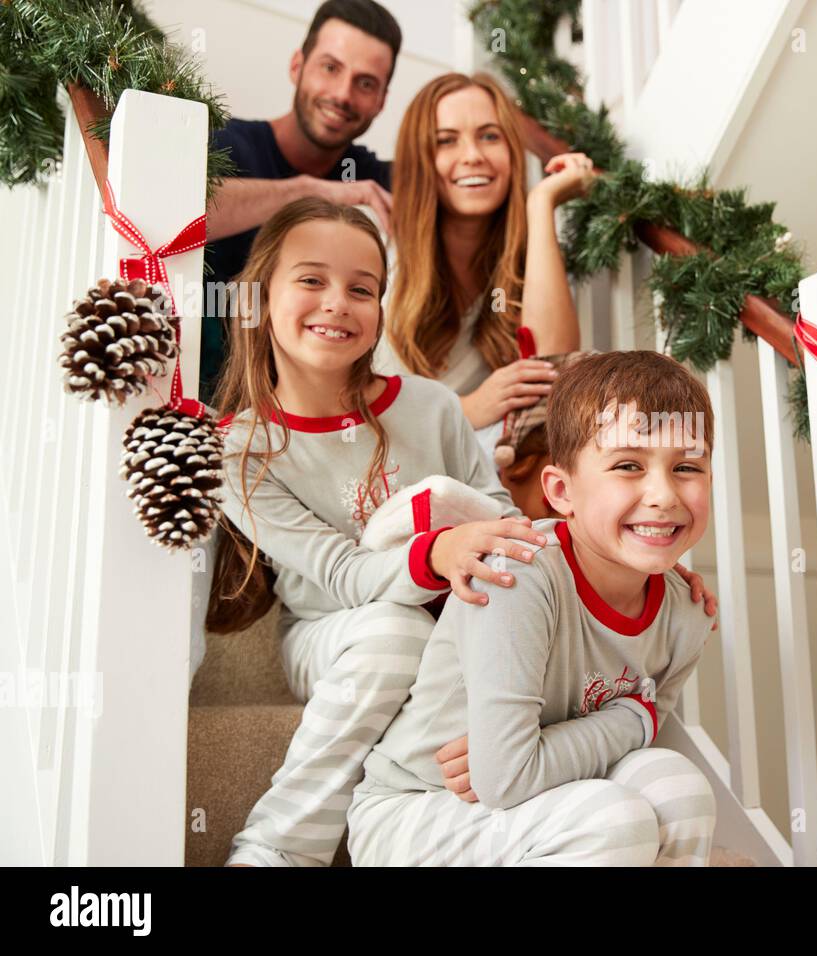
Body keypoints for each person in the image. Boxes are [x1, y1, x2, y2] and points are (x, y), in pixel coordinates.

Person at [206, 197, 548, 867]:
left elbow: (501, 522)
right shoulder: (239, 452)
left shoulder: (432, 406)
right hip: (330, 634)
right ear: (259, 297)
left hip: (454, 630)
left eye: (361, 289)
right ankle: (278, 848)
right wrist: (438, 550)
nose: (338, 302)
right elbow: (343, 576)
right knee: (397, 633)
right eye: (311, 280)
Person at [346, 351, 718, 866]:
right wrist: (633, 716)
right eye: (628, 465)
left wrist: (601, 732)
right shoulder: (516, 573)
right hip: (418, 809)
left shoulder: (688, 613)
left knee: (679, 787)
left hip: (546, 795)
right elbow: (510, 778)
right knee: (615, 819)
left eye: (687, 467)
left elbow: (634, 736)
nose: (662, 494)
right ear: (561, 491)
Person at [200, 0, 402, 408]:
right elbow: (178, 214)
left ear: (381, 99)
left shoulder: (374, 179)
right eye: (331, 68)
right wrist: (309, 191)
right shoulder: (225, 146)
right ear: (298, 66)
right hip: (202, 405)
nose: (343, 94)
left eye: (365, 83)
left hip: (323, 419)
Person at [378, 72, 592, 443]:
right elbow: (352, 410)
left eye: (490, 136)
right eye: (446, 141)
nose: (473, 156)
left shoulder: (533, 258)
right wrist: (469, 408)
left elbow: (554, 368)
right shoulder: (379, 258)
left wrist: (540, 204)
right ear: (420, 160)